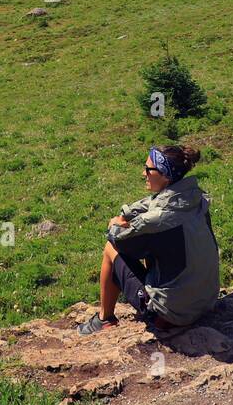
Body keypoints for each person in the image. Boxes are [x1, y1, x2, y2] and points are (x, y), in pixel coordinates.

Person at [78, 144, 220, 336]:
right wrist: (128, 213)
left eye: (148, 169)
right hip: (206, 303)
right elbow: (155, 203)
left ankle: (105, 319)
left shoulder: (156, 221)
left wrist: (115, 224)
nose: (143, 173)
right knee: (158, 249)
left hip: (171, 316)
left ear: (165, 175)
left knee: (110, 248)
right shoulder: (196, 200)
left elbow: (117, 239)